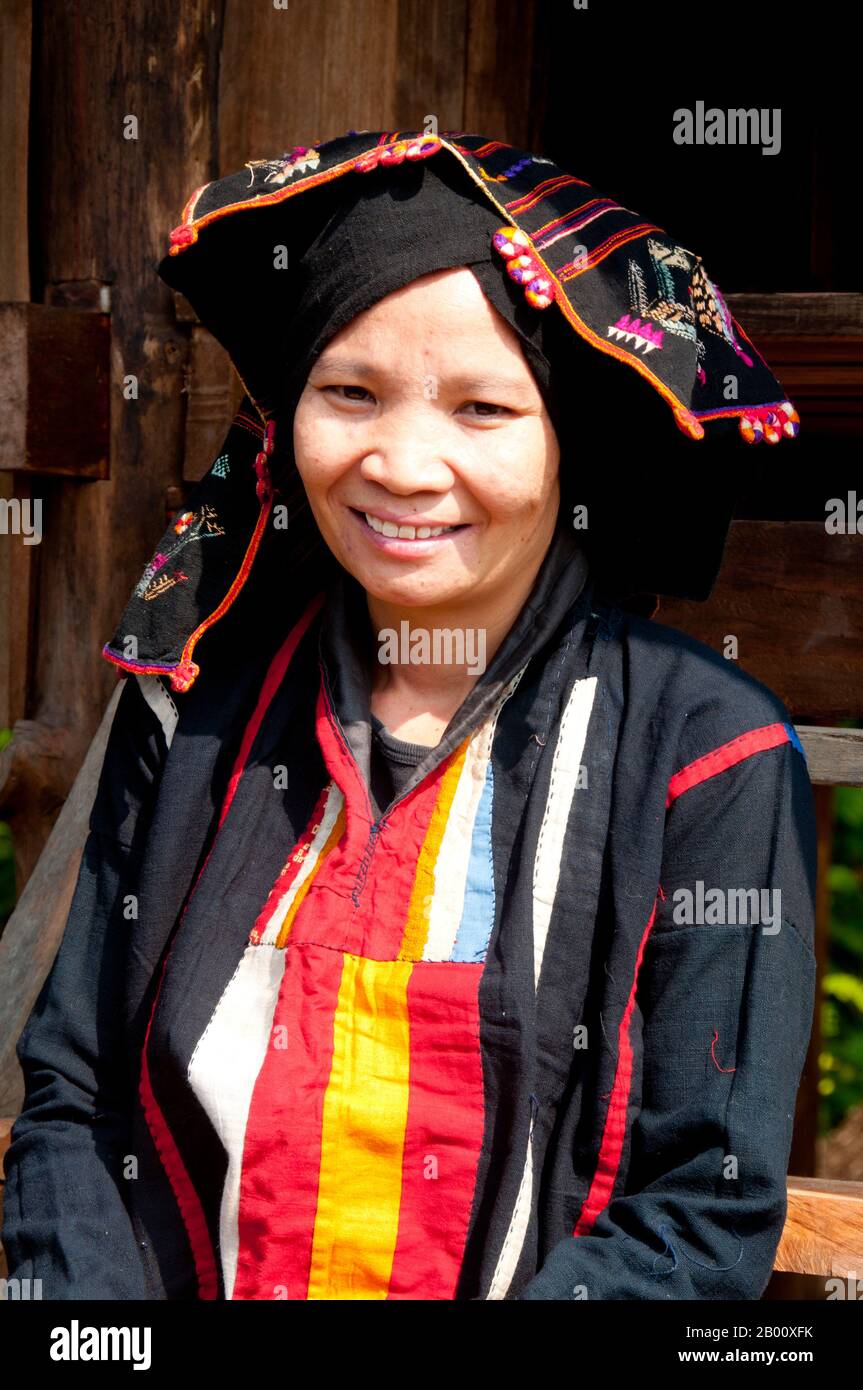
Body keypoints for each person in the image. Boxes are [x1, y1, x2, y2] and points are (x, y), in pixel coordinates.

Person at [1, 129, 815, 1301]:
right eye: (350, 392)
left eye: (481, 408)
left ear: (565, 442)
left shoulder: (706, 755)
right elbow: (77, 1096)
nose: (402, 462)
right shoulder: (195, 705)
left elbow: (699, 1206)